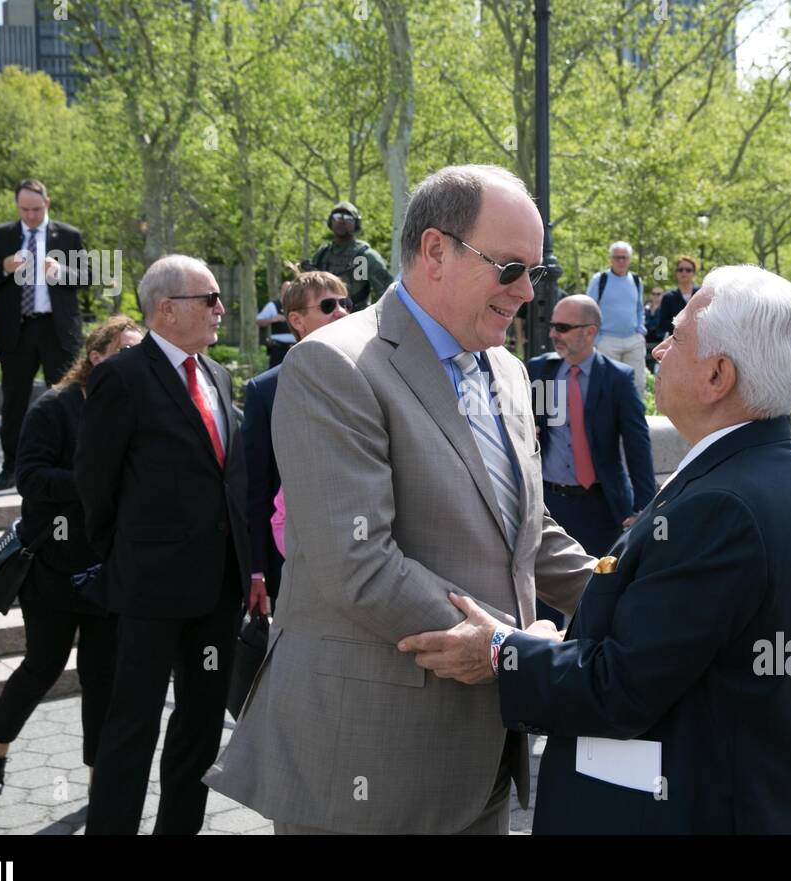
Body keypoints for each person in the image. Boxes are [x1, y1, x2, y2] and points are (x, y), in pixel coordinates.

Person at [206, 164, 596, 835]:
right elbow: (357, 561)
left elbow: (522, 526)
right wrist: (508, 650)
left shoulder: (503, 367)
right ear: (436, 251)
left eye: (536, 270)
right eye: (510, 268)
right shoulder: (333, 365)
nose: (528, 292)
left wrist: (624, 594)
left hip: (485, 759)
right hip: (370, 764)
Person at [400, 265, 791, 834]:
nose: (657, 352)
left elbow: (621, 686)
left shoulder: (724, 503)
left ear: (717, 376)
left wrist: (501, 651)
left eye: (676, 336)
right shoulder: (769, 470)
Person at [74, 255, 251, 835]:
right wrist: (126, 557)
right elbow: (95, 485)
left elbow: (231, 480)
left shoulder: (218, 375)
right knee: (133, 726)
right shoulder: (121, 377)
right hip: (149, 588)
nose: (221, 309)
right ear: (167, 309)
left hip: (217, 589)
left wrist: (249, 570)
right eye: (211, 298)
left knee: (200, 729)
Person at [0, 316, 143, 799]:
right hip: (51, 564)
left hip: (107, 566)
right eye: (125, 351)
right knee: (43, 666)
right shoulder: (54, 407)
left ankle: (98, 780)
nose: (134, 362)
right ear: (96, 358)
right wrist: (91, 484)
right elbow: (29, 479)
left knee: (102, 678)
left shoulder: (132, 408)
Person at [527, 294, 655, 626]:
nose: (554, 333)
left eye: (564, 327)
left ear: (590, 332)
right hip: (549, 506)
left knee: (602, 599)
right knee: (545, 605)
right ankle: (543, 665)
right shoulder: (539, 371)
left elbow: (637, 445)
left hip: (603, 508)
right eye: (552, 325)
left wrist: (644, 507)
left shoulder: (617, 378)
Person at [241, 271, 351, 610]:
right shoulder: (265, 390)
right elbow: (255, 486)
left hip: (363, 553)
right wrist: (256, 568)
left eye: (345, 303)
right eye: (329, 305)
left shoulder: (374, 377)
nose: (342, 312)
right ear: (296, 320)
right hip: (293, 558)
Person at [0, 179, 89, 492]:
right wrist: (4, 266)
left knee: (66, 398)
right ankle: (10, 468)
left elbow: (88, 276)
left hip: (56, 330)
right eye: (24, 210)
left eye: (36, 209)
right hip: (18, 330)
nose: (31, 216)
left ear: (47, 204)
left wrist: (61, 272)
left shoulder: (68, 235)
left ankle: (67, 463)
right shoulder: (2, 235)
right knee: (13, 401)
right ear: (17, 207)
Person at [586, 241, 647, 399]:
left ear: (629, 259)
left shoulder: (636, 280)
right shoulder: (600, 280)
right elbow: (588, 309)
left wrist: (640, 330)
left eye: (624, 258)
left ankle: (634, 421)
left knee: (637, 384)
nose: (621, 261)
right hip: (606, 341)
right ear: (611, 259)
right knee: (607, 384)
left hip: (633, 340)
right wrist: (597, 338)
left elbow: (640, 308)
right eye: (617, 257)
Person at [305, 201, 392, 311]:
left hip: (355, 319)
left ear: (356, 223)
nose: (341, 221)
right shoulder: (322, 254)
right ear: (330, 221)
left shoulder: (365, 256)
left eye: (348, 218)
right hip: (325, 318)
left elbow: (386, 293)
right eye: (337, 216)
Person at [657, 255, 699, 343]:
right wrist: (682, 323)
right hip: (676, 344)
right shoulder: (668, 297)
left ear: (693, 273)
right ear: (676, 273)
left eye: (688, 270)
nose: (684, 272)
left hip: (699, 342)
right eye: (680, 270)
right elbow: (662, 324)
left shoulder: (702, 294)